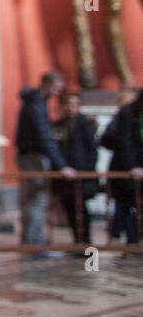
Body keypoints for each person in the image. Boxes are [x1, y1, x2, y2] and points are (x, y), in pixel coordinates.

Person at [16, 72, 79, 248]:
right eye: (56, 87)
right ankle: (35, 242)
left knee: (34, 198)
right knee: (37, 199)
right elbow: (43, 136)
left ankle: (31, 240)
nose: (57, 92)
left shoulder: (35, 101)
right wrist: (61, 165)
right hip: (33, 156)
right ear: (47, 84)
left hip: (30, 154)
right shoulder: (36, 102)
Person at [51, 91, 100, 244]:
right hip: (65, 174)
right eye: (69, 104)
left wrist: (86, 170)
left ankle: (85, 241)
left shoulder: (85, 123)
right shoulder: (59, 124)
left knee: (81, 208)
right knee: (69, 207)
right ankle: (77, 241)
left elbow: (92, 149)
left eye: (75, 104)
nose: (71, 108)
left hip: (82, 173)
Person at [100, 91, 143, 245]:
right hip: (126, 169)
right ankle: (132, 241)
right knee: (126, 205)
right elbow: (126, 143)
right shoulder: (127, 113)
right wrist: (133, 166)